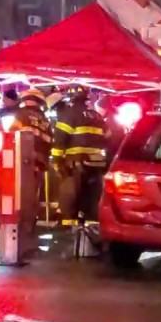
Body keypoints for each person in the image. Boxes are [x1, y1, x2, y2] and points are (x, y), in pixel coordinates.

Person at [50, 85, 108, 227]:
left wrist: (57, 160)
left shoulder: (69, 114)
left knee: (69, 197)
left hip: (75, 164)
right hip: (96, 164)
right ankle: (91, 229)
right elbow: (108, 138)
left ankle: (68, 229)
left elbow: (60, 138)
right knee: (91, 199)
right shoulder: (96, 115)